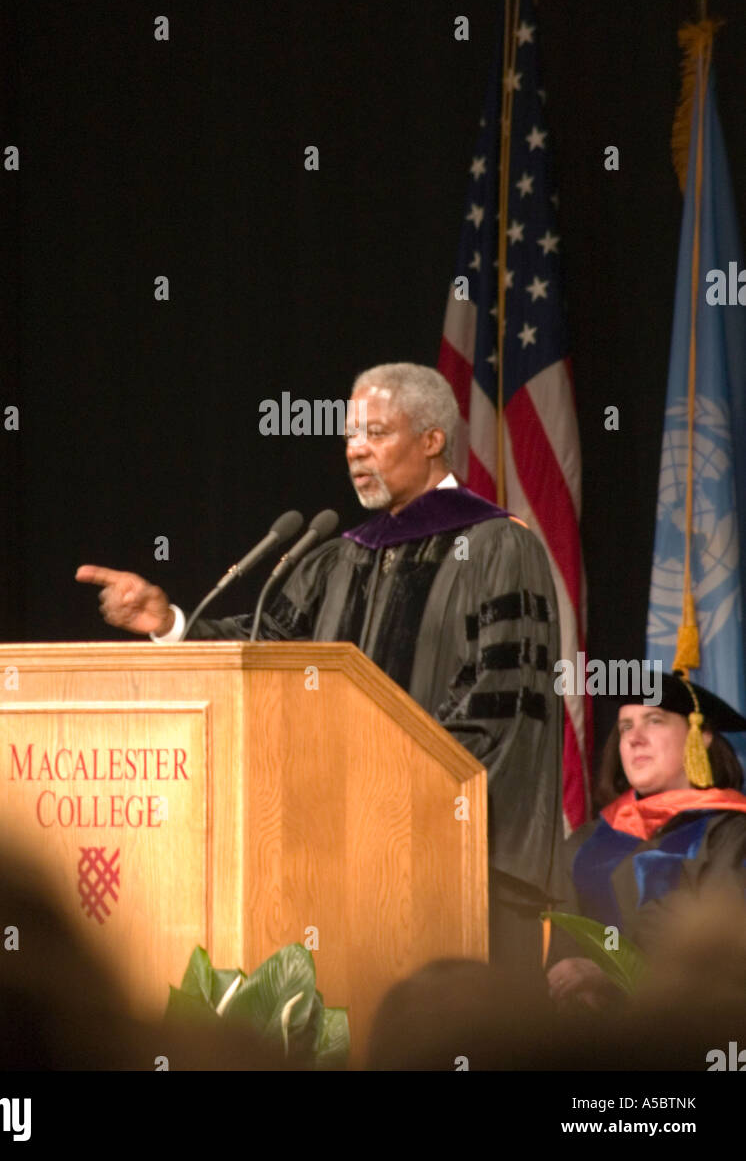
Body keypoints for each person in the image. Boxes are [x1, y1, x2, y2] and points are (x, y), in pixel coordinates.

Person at [77, 362, 564, 968]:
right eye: (349, 437)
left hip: (454, 865)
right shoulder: (340, 557)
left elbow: (505, 704)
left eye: (376, 433)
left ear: (433, 440)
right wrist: (170, 621)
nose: (356, 451)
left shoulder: (499, 546)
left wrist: (391, 798)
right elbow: (265, 646)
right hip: (336, 858)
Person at [547, 670, 746, 1010]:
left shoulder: (729, 834)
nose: (634, 738)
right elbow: (563, 954)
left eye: (654, 720)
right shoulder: (584, 843)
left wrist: (616, 975)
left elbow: (729, 963)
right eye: (625, 727)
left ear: (702, 735)